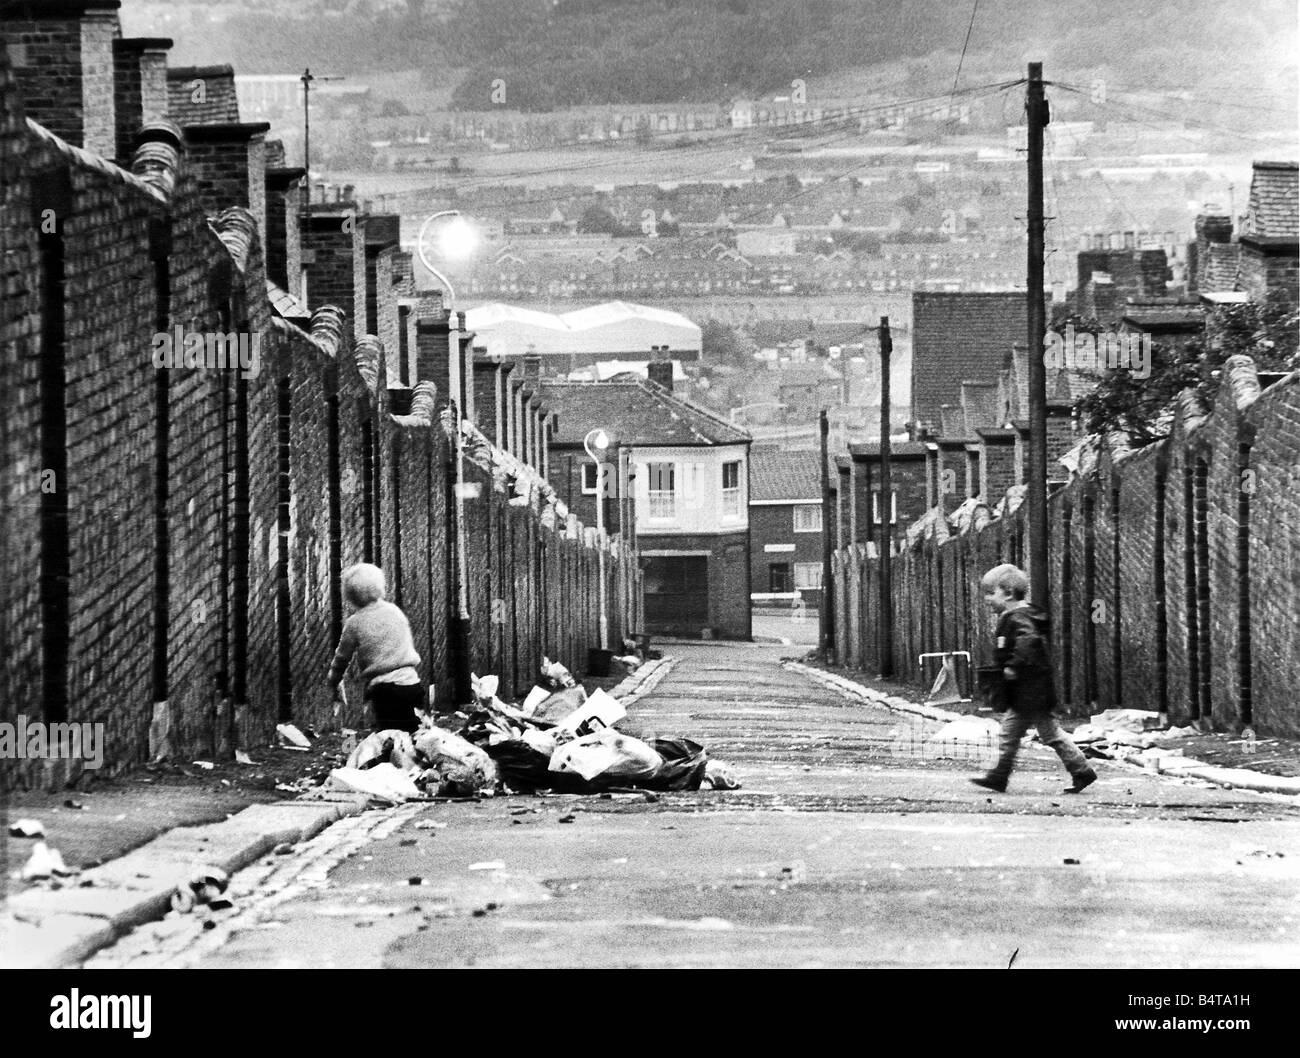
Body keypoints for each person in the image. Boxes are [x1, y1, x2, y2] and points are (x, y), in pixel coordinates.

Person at [971, 563, 1097, 794]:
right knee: (1051, 733)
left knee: (1009, 734)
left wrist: (1013, 667)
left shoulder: (1017, 618)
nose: (987, 599)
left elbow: (1027, 641)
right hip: (1034, 689)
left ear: (1008, 593)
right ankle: (1081, 770)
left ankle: (999, 775)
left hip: (1026, 690)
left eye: (991, 593)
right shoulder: (1023, 615)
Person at [328, 563, 423, 734]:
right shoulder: (395, 612)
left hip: (384, 690)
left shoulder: (354, 623)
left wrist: (334, 679)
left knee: (389, 735)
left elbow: (342, 658)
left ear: (350, 595)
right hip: (411, 683)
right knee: (413, 732)